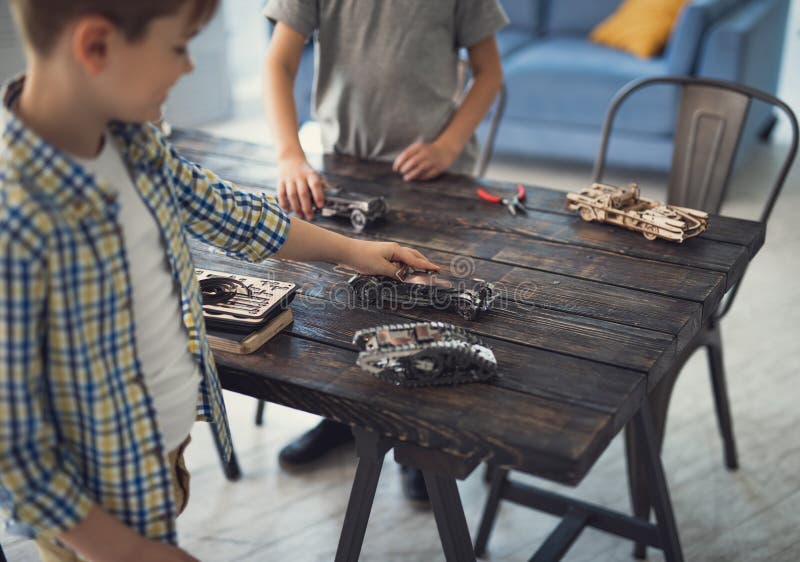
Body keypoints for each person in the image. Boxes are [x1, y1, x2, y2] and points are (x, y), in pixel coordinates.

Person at [0, 2, 438, 561]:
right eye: (178, 47)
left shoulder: (131, 143)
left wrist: (353, 251)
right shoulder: (16, 221)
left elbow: (234, 214)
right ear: (96, 46)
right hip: (91, 508)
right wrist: (125, 550)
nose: (189, 67)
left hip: (155, 448)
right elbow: (14, 443)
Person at [262, 0, 508, 501]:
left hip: (437, 175)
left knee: (431, 300)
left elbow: (489, 72)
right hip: (343, 166)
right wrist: (289, 154)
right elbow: (278, 63)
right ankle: (343, 416)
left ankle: (421, 439)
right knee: (347, 306)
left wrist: (447, 145)